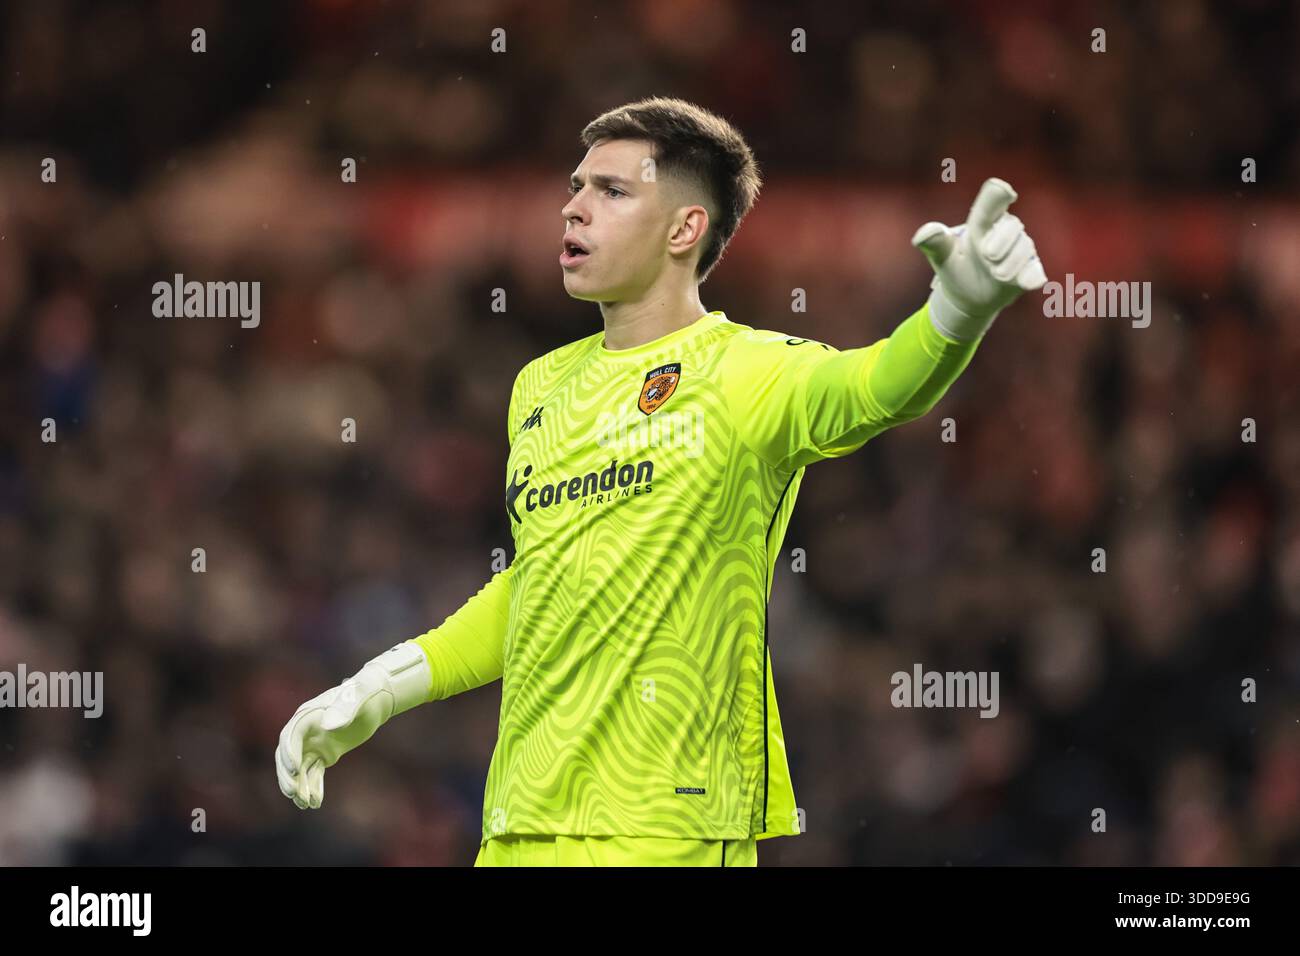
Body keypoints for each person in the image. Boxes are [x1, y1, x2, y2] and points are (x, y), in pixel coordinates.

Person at [275, 96, 1046, 867]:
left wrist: (955, 312)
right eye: (575, 186)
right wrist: (380, 687)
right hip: (517, 830)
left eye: (611, 191)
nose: (574, 208)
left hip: (668, 832)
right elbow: (539, 588)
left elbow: (877, 386)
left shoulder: (749, 371)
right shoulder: (538, 388)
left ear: (685, 229)